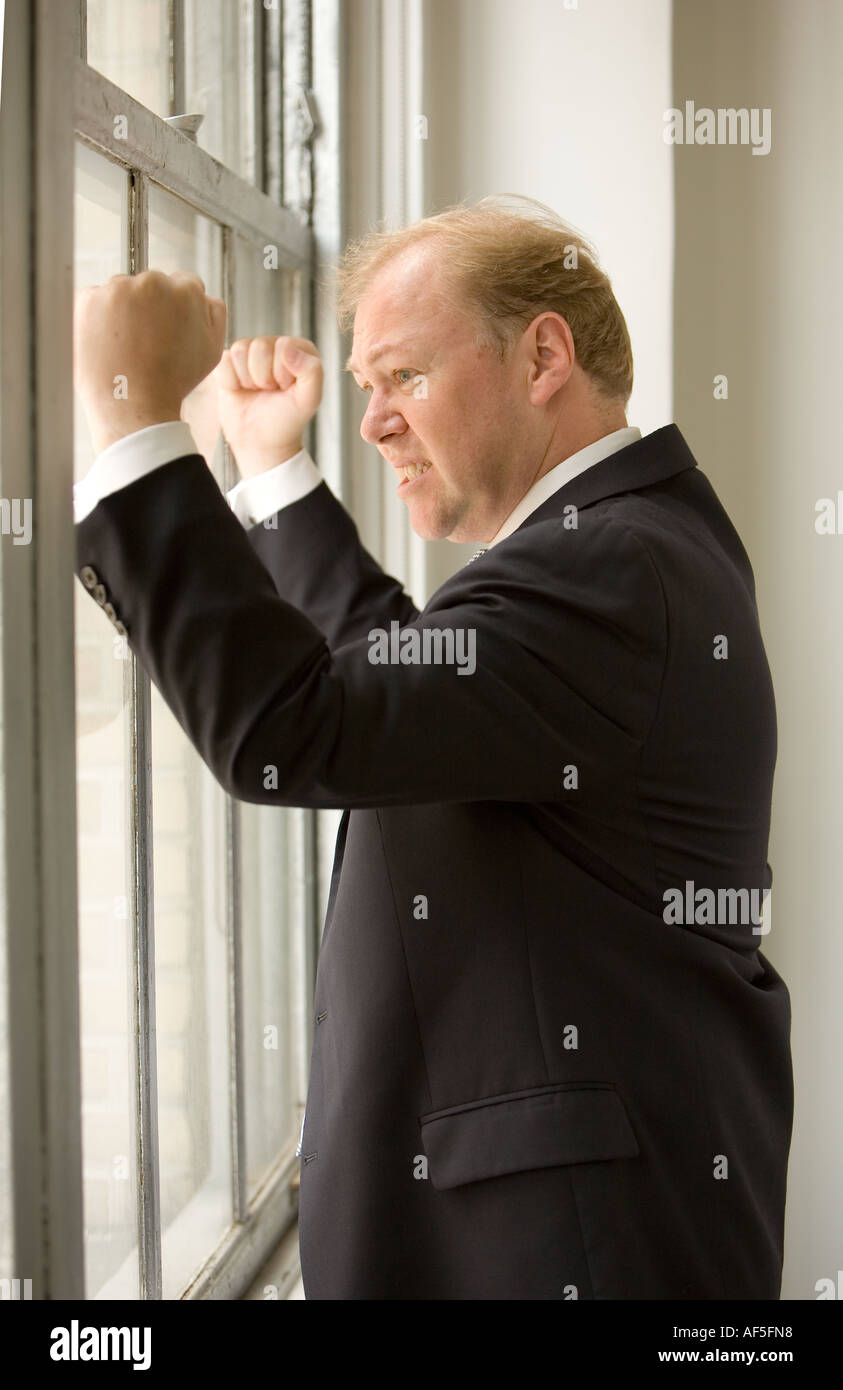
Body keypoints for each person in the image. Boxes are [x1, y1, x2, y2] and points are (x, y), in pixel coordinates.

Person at [73, 196, 793, 1300]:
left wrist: (136, 426)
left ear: (543, 355)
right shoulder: (624, 545)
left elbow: (294, 727)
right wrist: (273, 469)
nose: (373, 421)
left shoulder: (606, 570)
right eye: (366, 387)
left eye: (404, 376)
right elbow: (408, 684)